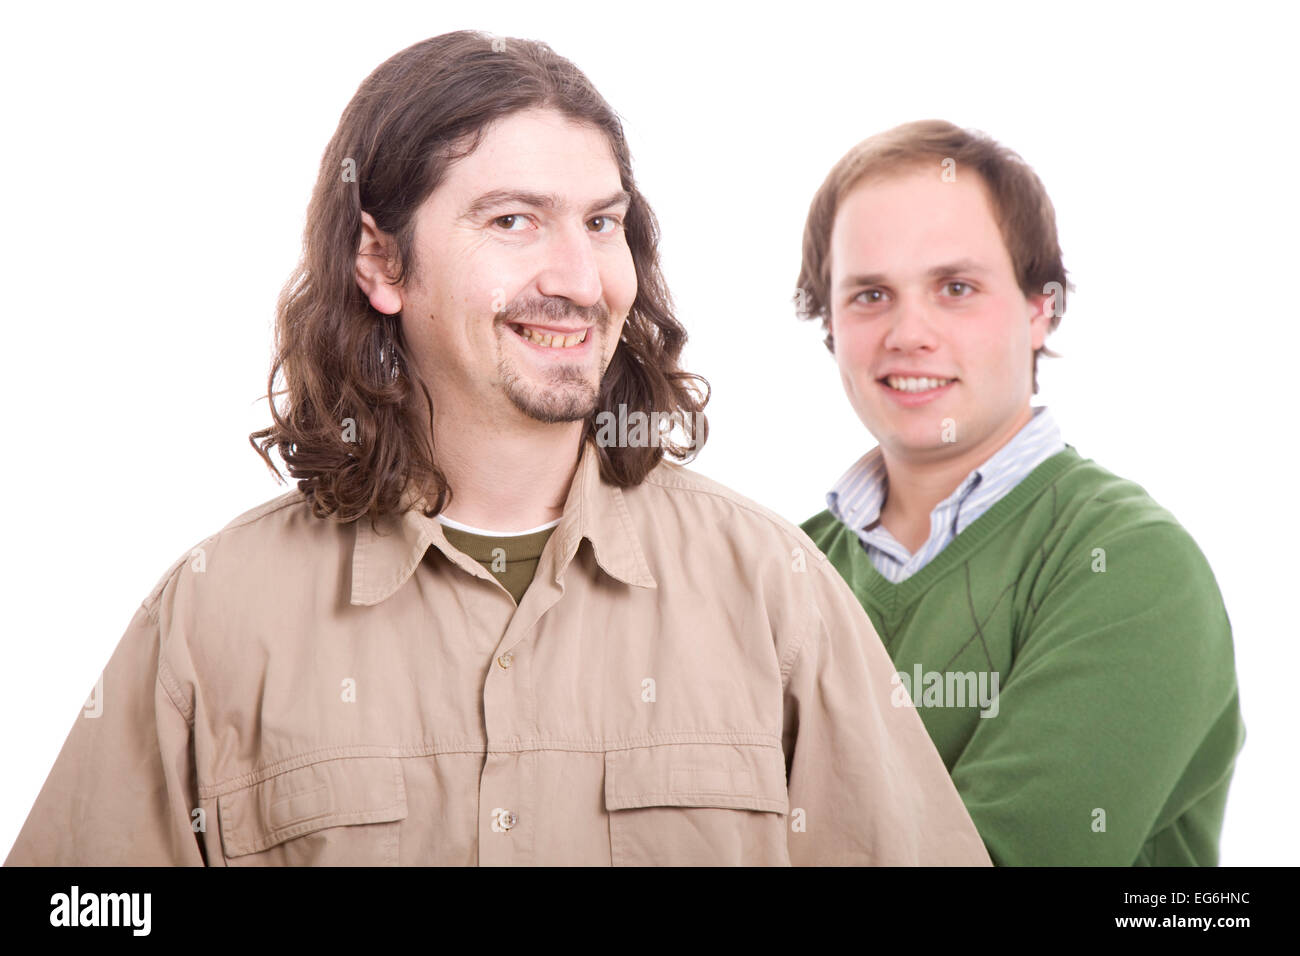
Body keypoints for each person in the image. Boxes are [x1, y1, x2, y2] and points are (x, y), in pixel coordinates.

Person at [5, 35, 989, 866]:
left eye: (600, 224)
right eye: (514, 221)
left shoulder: (775, 590)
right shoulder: (214, 615)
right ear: (381, 261)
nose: (577, 277)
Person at [796, 119, 1245, 865]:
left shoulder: (1129, 564)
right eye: (871, 295)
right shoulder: (783, 564)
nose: (909, 332)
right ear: (830, 327)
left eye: (956, 288)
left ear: (1041, 309)